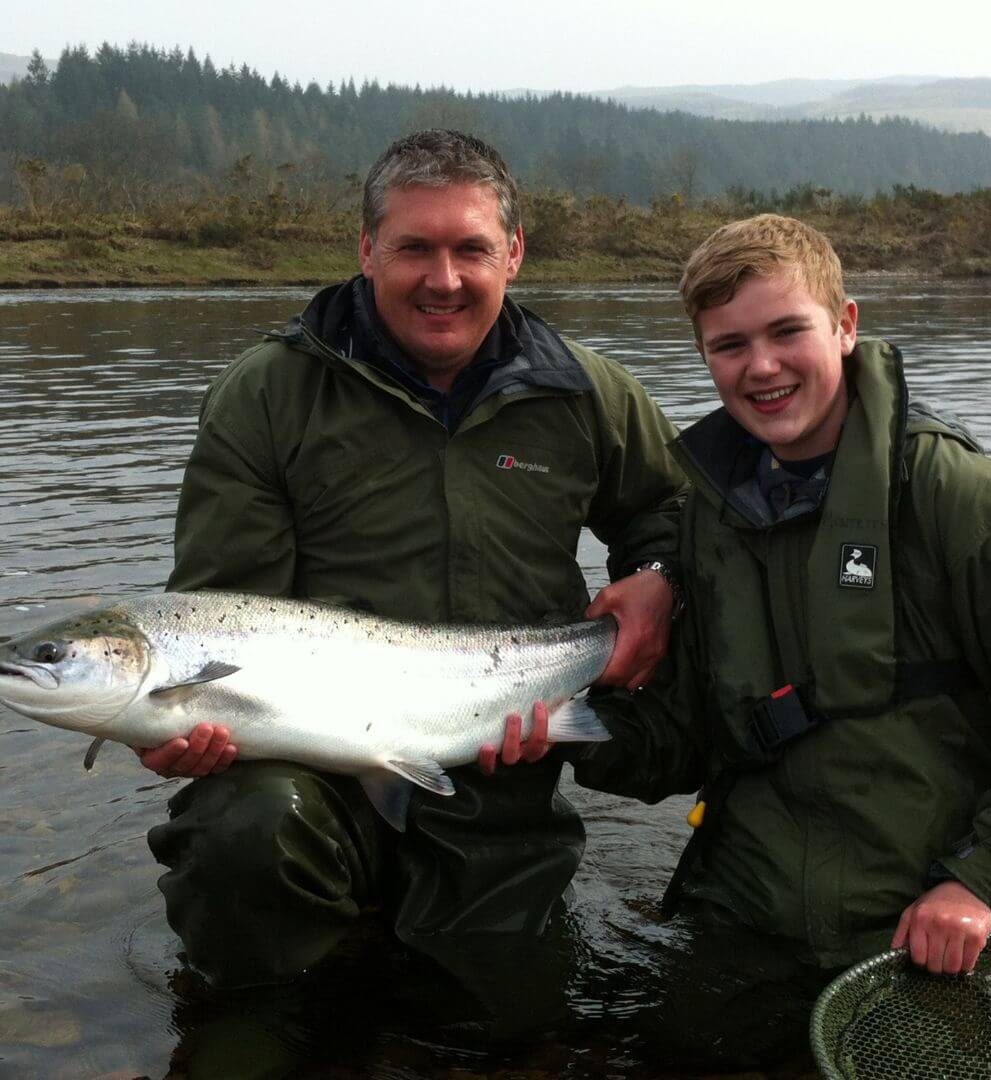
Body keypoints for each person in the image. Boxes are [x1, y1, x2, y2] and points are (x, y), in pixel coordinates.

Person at [138, 129, 688, 990]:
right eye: (413, 249)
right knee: (241, 841)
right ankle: (253, 1010)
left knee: (510, 1017)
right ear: (365, 251)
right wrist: (174, 723)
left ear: (513, 254)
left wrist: (656, 579)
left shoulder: (590, 395)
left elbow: (672, 512)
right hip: (300, 771)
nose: (444, 279)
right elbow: (221, 606)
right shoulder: (267, 394)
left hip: (506, 767)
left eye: (471, 248)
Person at [495, 213, 991, 1066]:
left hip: (920, 929)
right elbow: (680, 744)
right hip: (740, 916)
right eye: (728, 346)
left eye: (785, 331)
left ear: (844, 325)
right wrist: (565, 722)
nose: (759, 367)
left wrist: (975, 884)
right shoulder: (705, 522)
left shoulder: (948, 491)